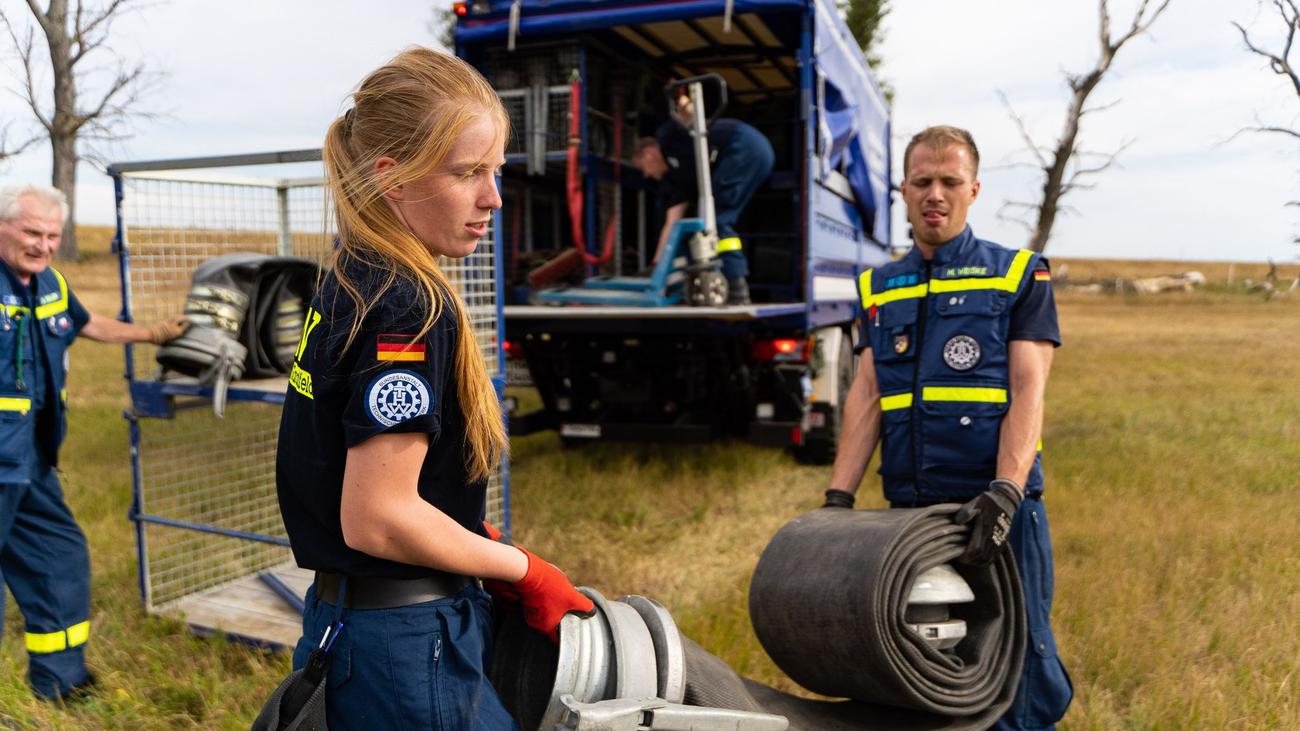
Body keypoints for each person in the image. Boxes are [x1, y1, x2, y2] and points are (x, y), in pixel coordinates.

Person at [275, 47, 594, 730]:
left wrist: (465, 538)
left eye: (495, 171)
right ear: (393, 177)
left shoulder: (353, 273)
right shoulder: (404, 305)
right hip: (407, 645)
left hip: (350, 621)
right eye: (467, 172)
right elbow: (379, 515)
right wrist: (521, 567)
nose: (494, 198)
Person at [818, 126, 1073, 730]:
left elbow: (1029, 391)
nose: (936, 193)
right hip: (908, 514)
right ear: (903, 191)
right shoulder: (876, 289)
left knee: (1018, 662)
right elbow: (869, 395)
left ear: (973, 189)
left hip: (996, 510)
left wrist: (1006, 492)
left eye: (950, 182)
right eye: (923, 181)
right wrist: (838, 497)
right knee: (920, 658)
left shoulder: (1017, 275)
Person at [0, 183, 186, 700]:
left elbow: (89, 325)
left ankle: (60, 684)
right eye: (31, 232)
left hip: (31, 460)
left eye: (52, 235)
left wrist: (151, 334)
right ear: (2, 227)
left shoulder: (51, 285)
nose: (43, 244)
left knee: (57, 558)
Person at [632, 106, 774, 305]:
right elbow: (672, 222)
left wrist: (683, 103)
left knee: (715, 220)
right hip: (751, 152)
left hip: (743, 144)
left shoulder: (666, 138)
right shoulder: (676, 181)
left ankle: (737, 289)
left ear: (648, 154)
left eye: (642, 168)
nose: (646, 175)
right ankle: (713, 282)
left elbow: (684, 112)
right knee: (707, 220)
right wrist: (656, 263)